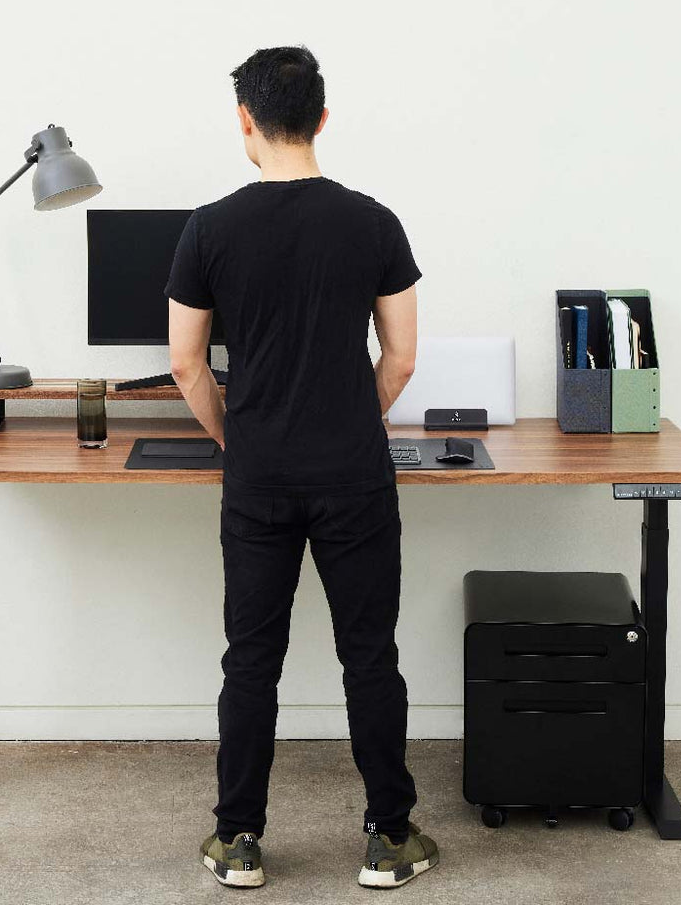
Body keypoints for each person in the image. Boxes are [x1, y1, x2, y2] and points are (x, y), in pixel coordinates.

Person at [165, 45, 437, 890]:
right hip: (353, 474)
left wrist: (235, 436)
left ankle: (237, 840)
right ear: (322, 117)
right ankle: (390, 838)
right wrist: (351, 420)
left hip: (259, 480)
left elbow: (185, 365)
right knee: (370, 656)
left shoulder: (208, 226)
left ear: (245, 120)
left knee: (251, 658)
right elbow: (400, 359)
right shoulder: (374, 222)